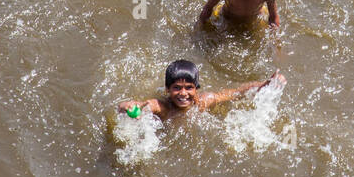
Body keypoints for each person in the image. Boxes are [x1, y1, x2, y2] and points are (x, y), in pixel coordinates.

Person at [117, 60, 284, 121]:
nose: (183, 94)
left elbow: (236, 92)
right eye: (177, 88)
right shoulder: (163, 107)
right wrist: (131, 107)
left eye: (189, 88)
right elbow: (129, 105)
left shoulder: (204, 101)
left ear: (196, 89)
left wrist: (264, 84)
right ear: (167, 90)